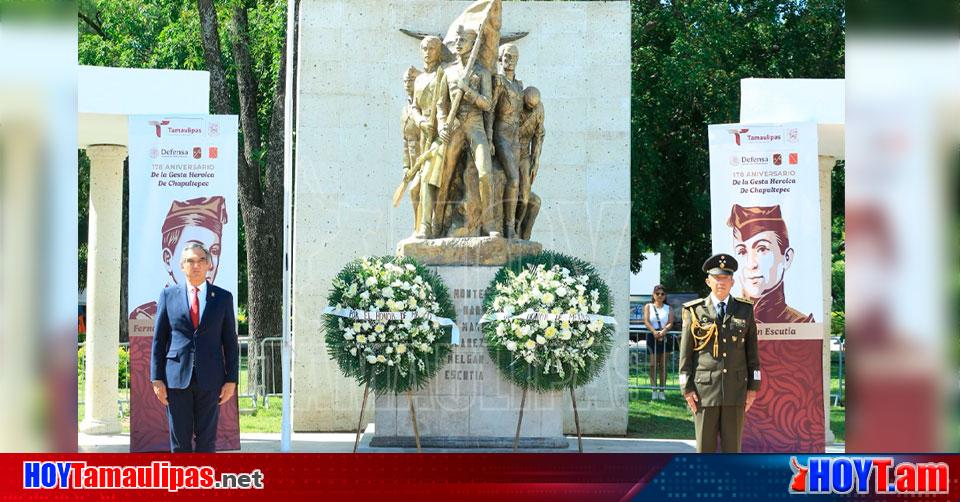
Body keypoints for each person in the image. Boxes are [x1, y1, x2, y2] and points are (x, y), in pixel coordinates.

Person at [150, 243, 238, 453]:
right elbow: (159, 340)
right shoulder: (168, 296)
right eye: (190, 261)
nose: (195, 265)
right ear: (182, 266)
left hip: (211, 379)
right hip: (176, 379)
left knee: (207, 441)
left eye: (201, 260)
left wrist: (231, 379)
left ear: (209, 265)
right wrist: (157, 378)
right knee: (179, 442)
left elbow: (230, 342)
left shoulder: (223, 298)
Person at [679, 253, 761, 453]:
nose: (721, 282)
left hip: (735, 390)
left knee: (732, 449)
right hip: (703, 392)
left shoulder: (744, 310)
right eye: (716, 278)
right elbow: (685, 355)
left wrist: (753, 387)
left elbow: (752, 353)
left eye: (725, 278)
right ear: (708, 281)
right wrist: (686, 388)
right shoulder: (694, 311)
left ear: (732, 282)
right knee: (705, 448)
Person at [435, 26, 498, 237]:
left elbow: (487, 104)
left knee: (485, 174)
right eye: (457, 40)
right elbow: (440, 104)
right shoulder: (447, 71)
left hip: (475, 125)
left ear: (473, 45)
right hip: (454, 127)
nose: (459, 43)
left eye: (464, 40)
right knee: (445, 176)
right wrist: (442, 124)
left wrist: (469, 91)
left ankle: (489, 225)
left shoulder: (482, 72)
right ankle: (437, 225)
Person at [129, 196, 228, 321]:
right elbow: (159, 340)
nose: (209, 263)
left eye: (214, 251)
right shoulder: (145, 315)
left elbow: (229, 339)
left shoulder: (222, 298)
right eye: (193, 253)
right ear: (168, 259)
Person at [727, 203, 814, 323]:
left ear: (787, 257)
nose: (751, 264)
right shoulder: (726, 321)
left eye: (762, 249)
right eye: (742, 251)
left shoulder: (802, 324)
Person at [491, 43, 523, 238]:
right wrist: (488, 137)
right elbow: (490, 110)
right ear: (500, 58)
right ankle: (508, 227)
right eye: (507, 56)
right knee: (513, 179)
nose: (510, 60)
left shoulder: (519, 85)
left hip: (516, 138)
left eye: (514, 57)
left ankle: (513, 227)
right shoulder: (498, 81)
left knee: (516, 183)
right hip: (501, 134)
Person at [642, 285, 673, 401]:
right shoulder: (648, 306)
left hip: (665, 337)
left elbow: (671, 322)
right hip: (652, 336)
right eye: (657, 293)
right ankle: (654, 390)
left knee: (663, 366)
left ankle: (662, 391)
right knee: (653, 365)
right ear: (653, 295)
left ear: (665, 296)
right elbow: (646, 320)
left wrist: (664, 331)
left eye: (662, 294)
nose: (660, 296)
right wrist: (654, 332)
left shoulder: (668, 308)